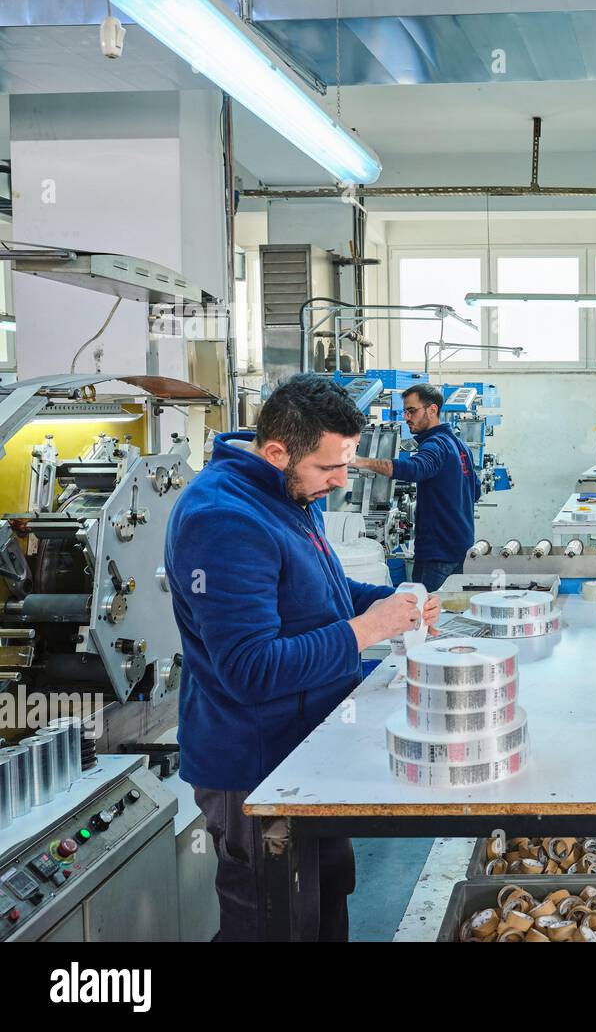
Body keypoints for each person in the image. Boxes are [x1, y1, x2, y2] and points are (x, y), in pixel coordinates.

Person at [165, 374, 440, 941]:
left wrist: (394, 603)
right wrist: (366, 630)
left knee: (326, 897)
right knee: (272, 921)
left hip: (308, 750)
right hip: (255, 769)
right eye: (329, 469)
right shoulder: (223, 520)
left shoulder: (288, 489)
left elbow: (325, 593)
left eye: (347, 464)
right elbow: (250, 668)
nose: (340, 482)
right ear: (276, 452)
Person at [351, 382, 481, 591]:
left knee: (423, 613)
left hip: (437, 552)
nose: (406, 417)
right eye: (405, 411)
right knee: (448, 610)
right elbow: (475, 491)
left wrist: (361, 461)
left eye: (412, 411)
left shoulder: (436, 444)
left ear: (432, 410)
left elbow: (415, 469)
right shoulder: (459, 445)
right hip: (461, 546)